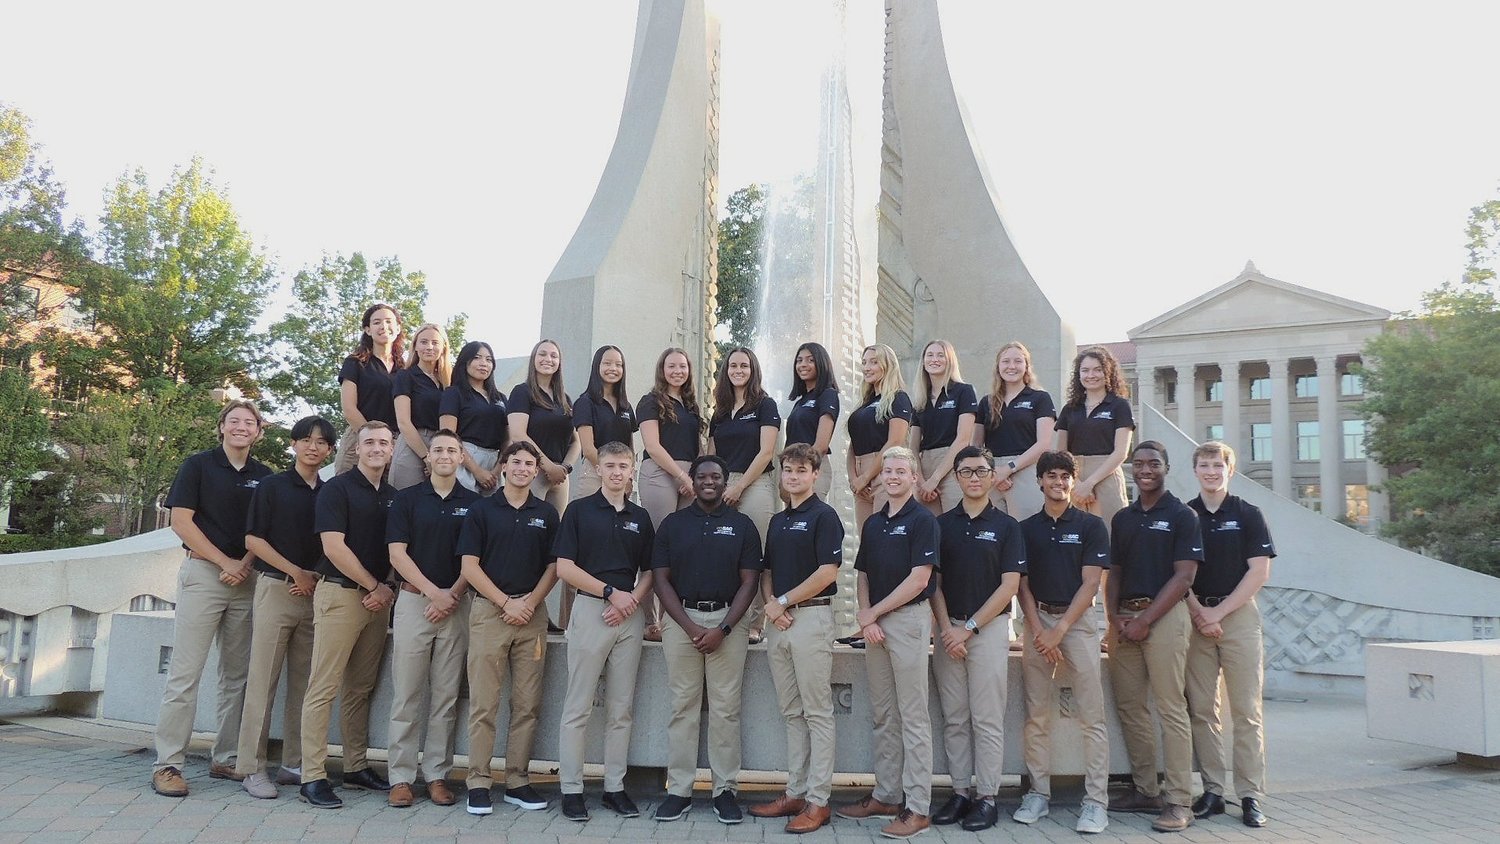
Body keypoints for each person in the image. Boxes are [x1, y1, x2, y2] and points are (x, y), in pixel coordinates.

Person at [151, 400, 271, 798]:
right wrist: (225, 562)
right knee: (185, 674)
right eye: (233, 421)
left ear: (258, 431)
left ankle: (228, 757)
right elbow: (181, 522)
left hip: (247, 580)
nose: (241, 427)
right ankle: (168, 763)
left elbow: (265, 531)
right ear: (221, 427)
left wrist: (245, 563)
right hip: (204, 575)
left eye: (248, 422)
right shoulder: (197, 466)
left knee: (237, 676)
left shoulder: (265, 476)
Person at [651, 455, 762, 825]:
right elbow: (661, 579)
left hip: (727, 622)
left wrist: (724, 629)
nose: (709, 482)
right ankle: (679, 790)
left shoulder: (742, 524)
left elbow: (750, 582)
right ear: (693, 482)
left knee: (726, 709)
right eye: (703, 476)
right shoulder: (673, 524)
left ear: (724, 480)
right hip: (682, 622)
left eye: (716, 476)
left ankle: (725, 790)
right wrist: (687, 626)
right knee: (682, 707)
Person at [837, 446, 937, 840]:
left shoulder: (923, 520)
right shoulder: (875, 523)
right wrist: (866, 617)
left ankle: (918, 807)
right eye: (888, 470)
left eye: (901, 470)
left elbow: (919, 580)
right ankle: (886, 794)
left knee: (913, 717)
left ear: (913, 477)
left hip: (908, 621)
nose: (893, 476)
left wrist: (873, 613)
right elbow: (862, 573)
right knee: (883, 714)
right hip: (875, 626)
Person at [299, 421, 399, 809]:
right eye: (369, 442)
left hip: (377, 603)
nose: (376, 448)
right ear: (357, 449)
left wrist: (385, 587)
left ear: (392, 451)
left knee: (360, 689)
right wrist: (375, 586)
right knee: (323, 687)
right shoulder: (336, 489)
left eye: (383, 443)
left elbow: (396, 548)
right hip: (340, 596)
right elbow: (334, 547)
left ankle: (355, 766)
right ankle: (313, 775)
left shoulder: (393, 496)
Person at [553, 441, 655, 822]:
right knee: (577, 706)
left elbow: (650, 572)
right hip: (592, 610)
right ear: (598, 469)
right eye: (609, 465)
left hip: (628, 615)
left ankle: (614, 787)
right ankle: (572, 790)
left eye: (623, 466)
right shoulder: (578, 511)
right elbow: (564, 567)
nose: (616, 472)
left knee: (621, 709)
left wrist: (630, 602)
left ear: (632, 471)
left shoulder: (640, 517)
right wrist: (610, 594)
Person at [236, 415, 335, 799]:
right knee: (262, 681)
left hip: (315, 596)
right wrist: (296, 572)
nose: (314, 447)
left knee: (305, 685)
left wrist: (311, 579)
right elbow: (254, 540)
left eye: (322, 442)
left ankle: (294, 763)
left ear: (329, 450)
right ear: (294, 444)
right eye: (307, 440)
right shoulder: (272, 486)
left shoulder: (329, 491)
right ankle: (251, 767)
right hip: (278, 588)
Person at [1106, 441, 1203, 833]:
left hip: (1163, 620)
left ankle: (1179, 800)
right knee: (1130, 708)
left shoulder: (1183, 515)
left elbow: (1184, 577)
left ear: (1166, 467)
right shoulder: (1123, 518)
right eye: (1139, 463)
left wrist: (1145, 619)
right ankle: (1146, 790)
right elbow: (1113, 570)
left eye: (1153, 463)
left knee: (1170, 708)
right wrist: (1113, 617)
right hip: (1125, 621)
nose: (1145, 469)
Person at [459, 441, 560, 816]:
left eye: (528, 463)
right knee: (484, 703)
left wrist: (530, 603)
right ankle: (478, 782)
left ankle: (517, 780)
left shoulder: (547, 513)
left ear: (536, 471)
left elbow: (555, 566)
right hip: (489, 613)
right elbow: (469, 566)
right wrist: (505, 603)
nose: (521, 468)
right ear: (502, 467)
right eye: (514, 461)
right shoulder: (482, 510)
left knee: (527, 704)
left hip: (531, 615)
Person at [1014, 451, 1111, 834]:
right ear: (1039, 481)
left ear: (1073, 481)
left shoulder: (1090, 526)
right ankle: (1038, 794)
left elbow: (1091, 583)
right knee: (1036, 715)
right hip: (1037, 620)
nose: (1058, 482)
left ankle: (1096, 802)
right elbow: (1020, 584)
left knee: (1092, 716)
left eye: (1065, 476)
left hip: (1078, 623)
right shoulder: (1025, 529)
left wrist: (1061, 629)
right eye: (1050, 475)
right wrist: (1039, 629)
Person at [928, 446, 1024, 832]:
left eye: (981, 471)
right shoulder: (941, 524)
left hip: (987, 630)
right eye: (965, 471)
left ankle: (986, 796)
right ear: (955, 476)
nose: (973, 477)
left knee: (986, 718)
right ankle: (960, 792)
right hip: (947, 628)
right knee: (954, 717)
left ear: (991, 475)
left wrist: (968, 629)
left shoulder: (1006, 526)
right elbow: (932, 582)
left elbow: (1010, 586)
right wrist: (947, 629)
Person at [750, 443, 843, 834]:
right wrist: (773, 603)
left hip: (812, 619)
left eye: (801, 471)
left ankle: (819, 801)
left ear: (815, 475)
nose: (793, 477)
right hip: (781, 623)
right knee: (792, 712)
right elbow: (767, 568)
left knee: (818, 713)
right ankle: (796, 792)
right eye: (788, 470)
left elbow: (829, 572)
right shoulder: (777, 520)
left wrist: (784, 602)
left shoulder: (825, 516)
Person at [385, 430, 478, 808]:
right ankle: (401, 777)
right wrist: (432, 592)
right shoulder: (406, 500)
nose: (443, 455)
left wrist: (451, 594)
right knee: (406, 695)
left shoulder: (474, 504)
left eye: (451, 450)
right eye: (437, 449)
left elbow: (474, 559)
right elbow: (397, 554)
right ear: (428, 458)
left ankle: (437, 775)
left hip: (457, 607)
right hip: (413, 603)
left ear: (460, 458)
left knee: (445, 697)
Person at [1184, 441, 1273, 829]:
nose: (1211, 472)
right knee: (1203, 710)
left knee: (1246, 711)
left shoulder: (1248, 514)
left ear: (1230, 470)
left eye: (1217, 465)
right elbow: (1177, 574)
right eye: (1204, 465)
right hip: (1194, 616)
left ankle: (1251, 794)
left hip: (1237, 619)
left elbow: (1258, 572)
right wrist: (1200, 613)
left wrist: (1218, 613)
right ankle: (1213, 791)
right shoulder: (1185, 515)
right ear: (1195, 471)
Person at [707, 347, 780, 641]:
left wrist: (739, 487)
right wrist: (716, 487)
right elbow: (711, 455)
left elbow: (766, 453)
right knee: (723, 554)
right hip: (723, 485)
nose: (738, 370)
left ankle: (756, 622)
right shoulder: (721, 412)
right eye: (733, 365)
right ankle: (727, 617)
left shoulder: (765, 405)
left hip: (756, 483)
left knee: (757, 554)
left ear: (753, 370)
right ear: (726, 371)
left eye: (744, 366)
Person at [507, 338, 578, 629]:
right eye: (542, 354)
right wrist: (545, 464)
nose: (548, 359)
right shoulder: (522, 392)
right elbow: (518, 433)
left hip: (560, 479)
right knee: (527, 540)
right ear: (534, 359)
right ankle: (521, 603)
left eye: (553, 355)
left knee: (553, 545)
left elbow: (575, 440)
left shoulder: (564, 398)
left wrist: (565, 467)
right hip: (532, 473)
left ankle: (545, 611)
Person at [637, 347, 704, 641]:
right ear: (661, 369)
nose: (677, 371)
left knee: (682, 549)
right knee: (658, 546)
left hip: (689, 477)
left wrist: (696, 477)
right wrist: (680, 476)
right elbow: (652, 445)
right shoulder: (650, 401)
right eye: (671, 366)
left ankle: (670, 620)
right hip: (660, 474)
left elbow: (696, 445)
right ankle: (647, 620)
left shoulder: (691, 406)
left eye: (682, 366)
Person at [1054, 346, 1133, 529]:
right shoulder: (1070, 408)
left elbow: (1121, 452)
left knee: (1110, 535)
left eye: (1098, 369)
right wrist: (1076, 484)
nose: (1091, 375)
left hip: (1107, 476)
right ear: (1078, 374)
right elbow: (1061, 452)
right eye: (1085, 370)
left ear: (1108, 372)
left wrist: (1090, 483)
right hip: (1074, 479)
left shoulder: (1119, 406)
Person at [975, 341, 1056, 519]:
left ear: (1027, 366)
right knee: (994, 535)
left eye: (1018, 361)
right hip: (993, 475)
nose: (1012, 366)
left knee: (1026, 533)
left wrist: (1009, 469)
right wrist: (993, 472)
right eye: (1006, 361)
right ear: (998, 366)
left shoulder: (1040, 398)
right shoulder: (986, 402)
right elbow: (977, 444)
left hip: (1026, 470)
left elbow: (1044, 443)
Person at [847, 344, 913, 528]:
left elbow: (895, 441)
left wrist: (866, 477)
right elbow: (853, 445)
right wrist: (854, 479)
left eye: (874, 362)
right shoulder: (864, 404)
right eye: (864, 362)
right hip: (861, 477)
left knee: (886, 534)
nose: (867, 367)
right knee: (867, 539)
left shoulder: (898, 398)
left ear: (887, 365)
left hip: (885, 471)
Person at [910, 339, 978, 516]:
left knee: (955, 523)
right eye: (930, 355)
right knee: (929, 529)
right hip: (924, 467)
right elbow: (912, 446)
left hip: (953, 463)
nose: (934, 359)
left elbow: (963, 438)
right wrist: (921, 481)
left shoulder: (964, 391)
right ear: (923, 361)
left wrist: (935, 479)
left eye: (941, 355)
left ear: (950, 360)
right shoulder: (920, 399)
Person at [335, 304, 404, 472]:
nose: (383, 327)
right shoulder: (355, 362)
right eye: (376, 322)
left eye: (389, 321)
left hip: (394, 444)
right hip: (359, 437)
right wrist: (372, 439)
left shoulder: (405, 368)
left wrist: (389, 443)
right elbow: (349, 409)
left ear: (398, 327)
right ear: (367, 329)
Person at [439, 340, 508, 496]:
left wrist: (497, 470)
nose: (483, 363)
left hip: (495, 462)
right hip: (464, 459)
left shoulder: (501, 398)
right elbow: (448, 436)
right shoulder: (454, 393)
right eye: (477, 358)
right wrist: (477, 471)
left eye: (488, 359)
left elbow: (507, 439)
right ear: (465, 362)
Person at [571, 345, 638, 501]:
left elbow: (630, 447)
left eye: (618, 364)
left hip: (621, 474)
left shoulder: (626, 406)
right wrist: (611, 472)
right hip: (595, 472)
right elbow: (588, 449)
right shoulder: (585, 402)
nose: (613, 368)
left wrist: (627, 476)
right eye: (607, 363)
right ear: (597, 366)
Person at [390, 323, 452, 490]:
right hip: (413, 443)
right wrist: (427, 457)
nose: (429, 347)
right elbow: (403, 422)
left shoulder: (448, 383)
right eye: (424, 342)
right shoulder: (406, 376)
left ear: (443, 347)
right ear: (415, 346)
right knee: (405, 501)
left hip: (441, 445)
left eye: (435, 342)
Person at [784, 342, 840, 497]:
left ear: (821, 363)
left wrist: (802, 470)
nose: (803, 364)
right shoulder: (800, 402)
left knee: (811, 519)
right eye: (799, 360)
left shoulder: (828, 394)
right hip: (795, 470)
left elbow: (821, 445)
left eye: (810, 360)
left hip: (813, 468)